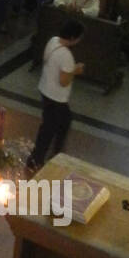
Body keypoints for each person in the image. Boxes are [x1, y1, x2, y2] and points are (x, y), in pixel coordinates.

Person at [26, 20, 85, 171]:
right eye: (79, 37)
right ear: (72, 37)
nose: (80, 40)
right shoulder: (66, 56)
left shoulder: (53, 41)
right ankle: (36, 159)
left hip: (45, 89)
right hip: (56, 97)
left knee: (63, 122)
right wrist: (75, 70)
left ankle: (54, 153)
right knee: (49, 129)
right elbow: (64, 81)